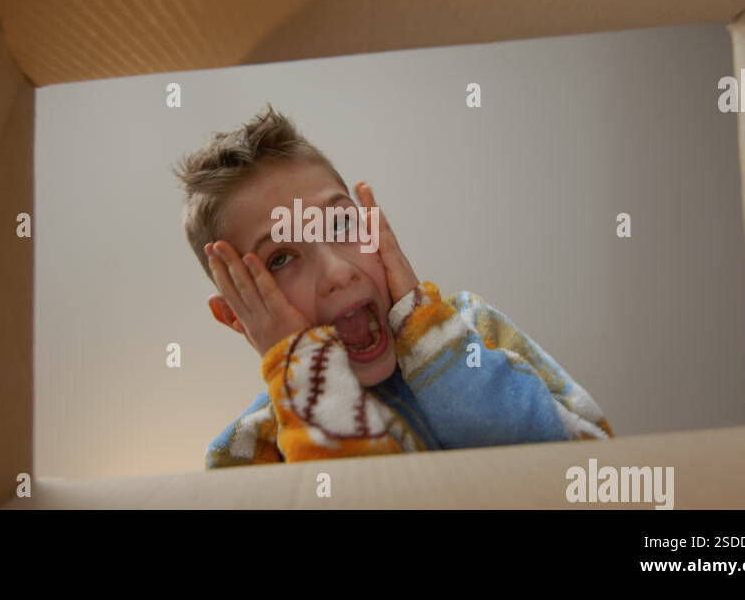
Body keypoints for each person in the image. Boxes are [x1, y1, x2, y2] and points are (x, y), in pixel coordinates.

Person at [172, 103, 614, 469]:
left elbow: (588, 466)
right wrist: (309, 377)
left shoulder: (470, 333)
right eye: (281, 258)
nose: (337, 272)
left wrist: (427, 333)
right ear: (237, 315)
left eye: (342, 223)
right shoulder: (248, 450)